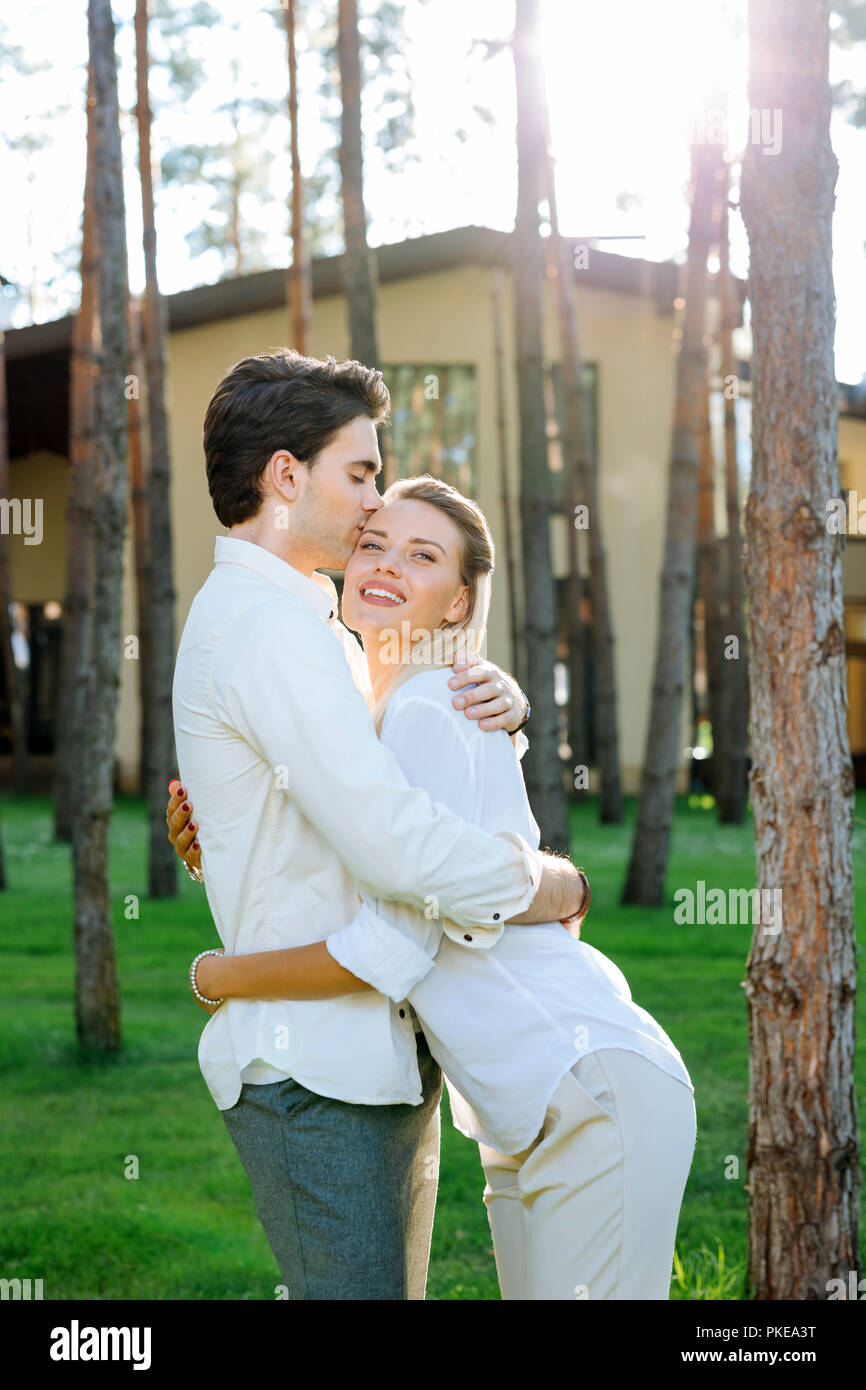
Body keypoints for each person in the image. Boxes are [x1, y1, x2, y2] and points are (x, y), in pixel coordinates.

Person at [174, 472, 697, 1301]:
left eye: (423, 556)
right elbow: (360, 846)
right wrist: (224, 829)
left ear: (458, 603)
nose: (384, 564)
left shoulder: (432, 705)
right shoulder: (381, 710)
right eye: (375, 542)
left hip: (588, 1089)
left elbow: (392, 944)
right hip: (528, 1112)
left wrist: (219, 977)